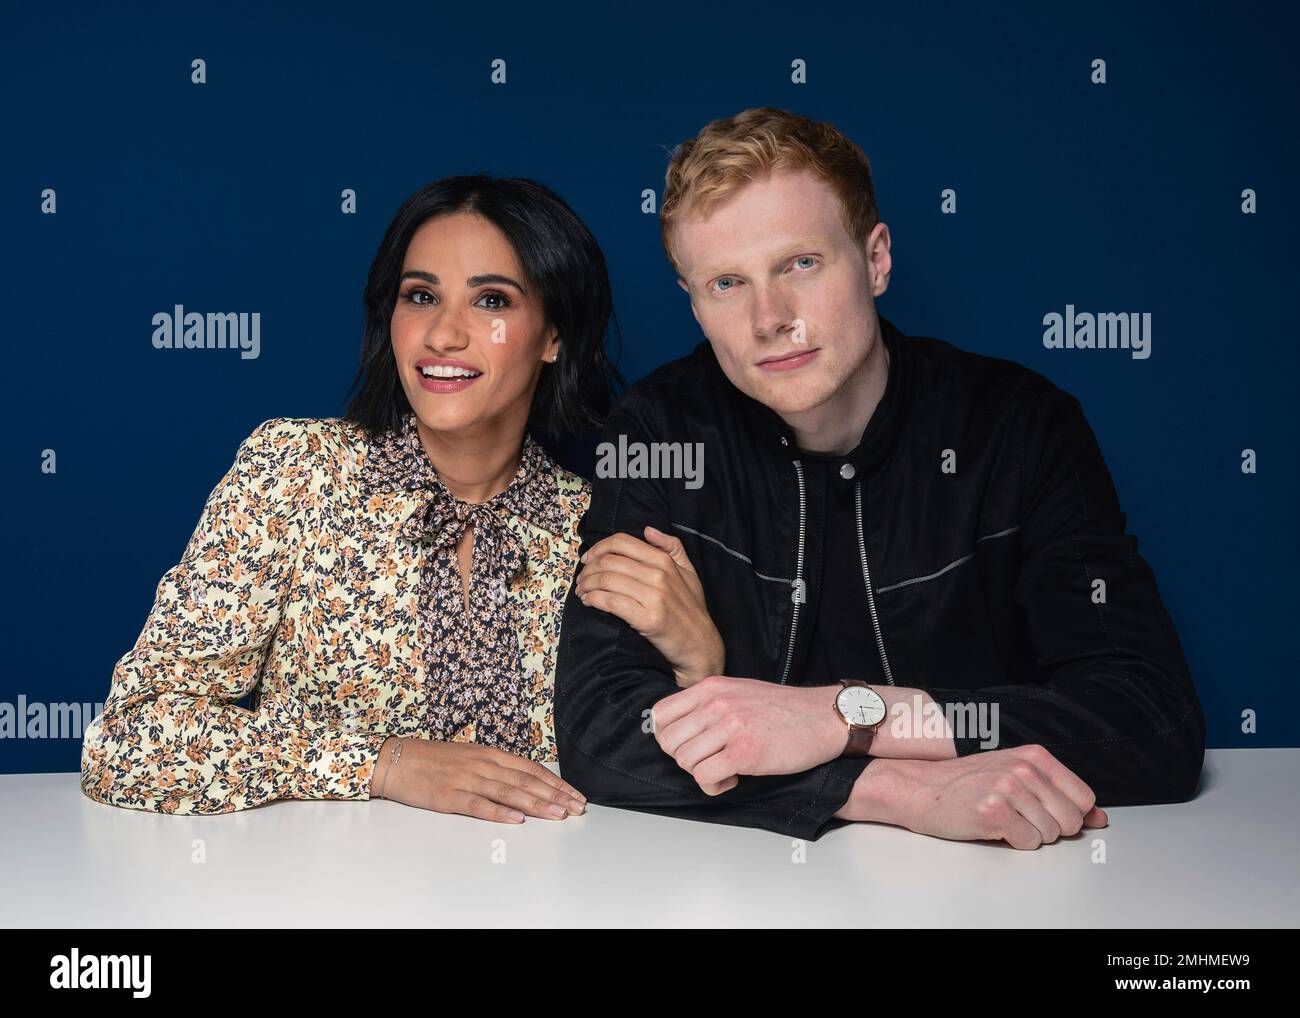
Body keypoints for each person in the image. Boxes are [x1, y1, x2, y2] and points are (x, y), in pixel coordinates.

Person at [554, 107, 1206, 848]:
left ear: (876, 259)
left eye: (801, 263)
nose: (772, 319)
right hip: (742, 892)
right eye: (727, 283)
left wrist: (844, 715)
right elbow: (598, 730)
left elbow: (1152, 718)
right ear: (693, 302)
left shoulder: (1018, 427)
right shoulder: (659, 432)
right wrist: (894, 789)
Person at [82, 174, 622, 823]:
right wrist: (383, 763)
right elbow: (129, 740)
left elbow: (654, 769)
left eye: (492, 301)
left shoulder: (596, 526)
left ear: (554, 335)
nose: (443, 335)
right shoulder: (297, 473)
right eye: (420, 295)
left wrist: (697, 660)